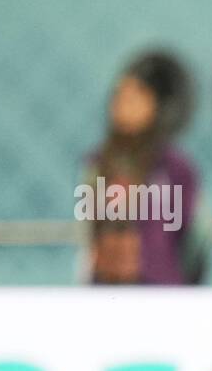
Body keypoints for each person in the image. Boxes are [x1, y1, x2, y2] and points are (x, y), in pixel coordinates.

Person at [84, 60, 205, 285]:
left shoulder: (175, 168)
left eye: (134, 97)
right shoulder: (98, 164)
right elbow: (89, 230)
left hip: (161, 285)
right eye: (119, 97)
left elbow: (194, 236)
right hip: (108, 286)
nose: (123, 105)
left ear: (153, 105)